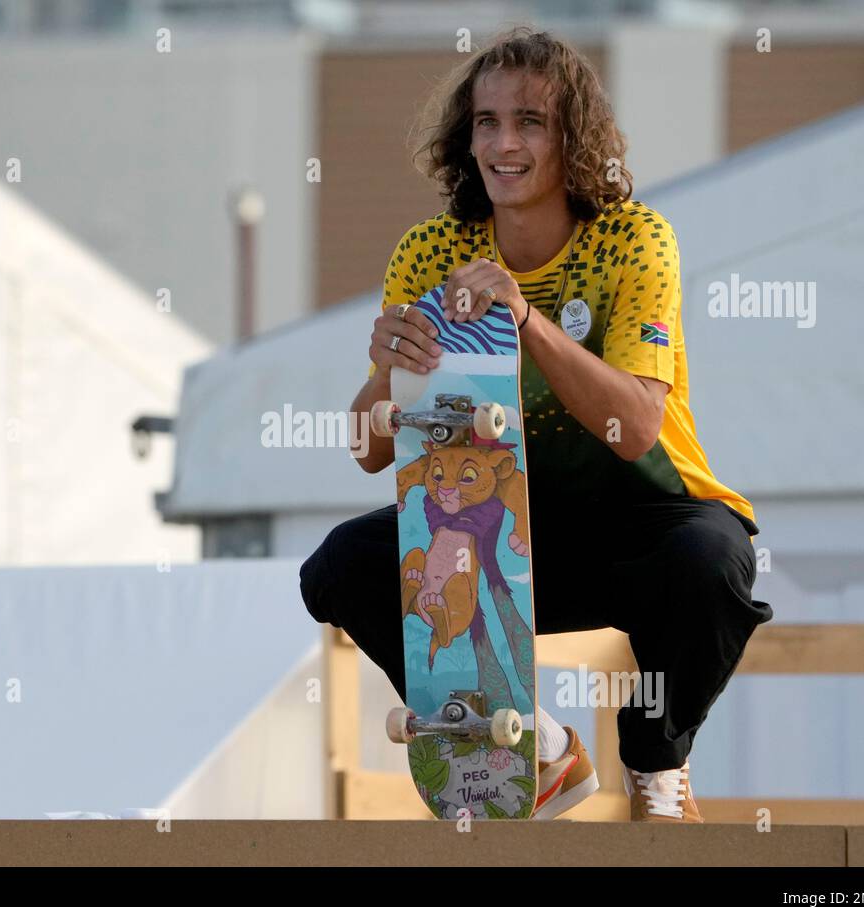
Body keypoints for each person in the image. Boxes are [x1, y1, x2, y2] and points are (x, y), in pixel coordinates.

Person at [299, 26, 773, 823]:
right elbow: (367, 451)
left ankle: (658, 767)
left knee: (716, 560)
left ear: (572, 140)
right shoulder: (430, 250)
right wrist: (387, 372)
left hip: (641, 524)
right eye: (486, 122)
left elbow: (634, 430)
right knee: (340, 565)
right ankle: (529, 748)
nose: (503, 143)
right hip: (504, 536)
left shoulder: (634, 239)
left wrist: (527, 320)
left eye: (530, 122)